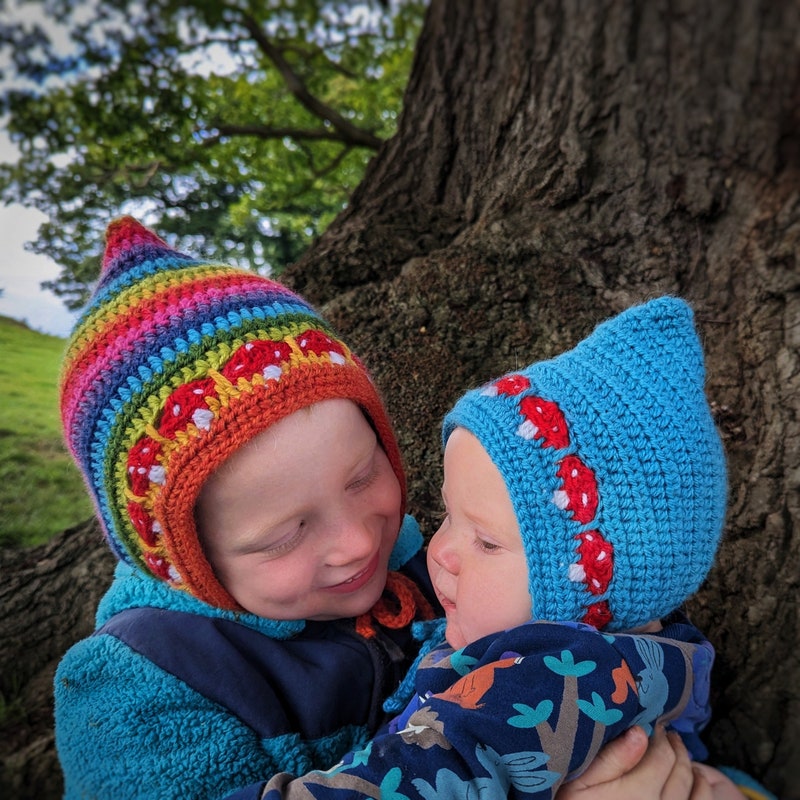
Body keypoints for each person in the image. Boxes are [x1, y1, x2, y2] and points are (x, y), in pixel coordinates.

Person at [54, 218, 738, 800]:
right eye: (284, 535)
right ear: (180, 561)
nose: (358, 542)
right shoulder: (138, 692)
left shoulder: (431, 566)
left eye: (362, 477)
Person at [233, 298, 773, 799]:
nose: (440, 552)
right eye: (449, 514)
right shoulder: (629, 654)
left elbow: (425, 774)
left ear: (593, 586)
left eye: (487, 542)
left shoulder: (558, 677)